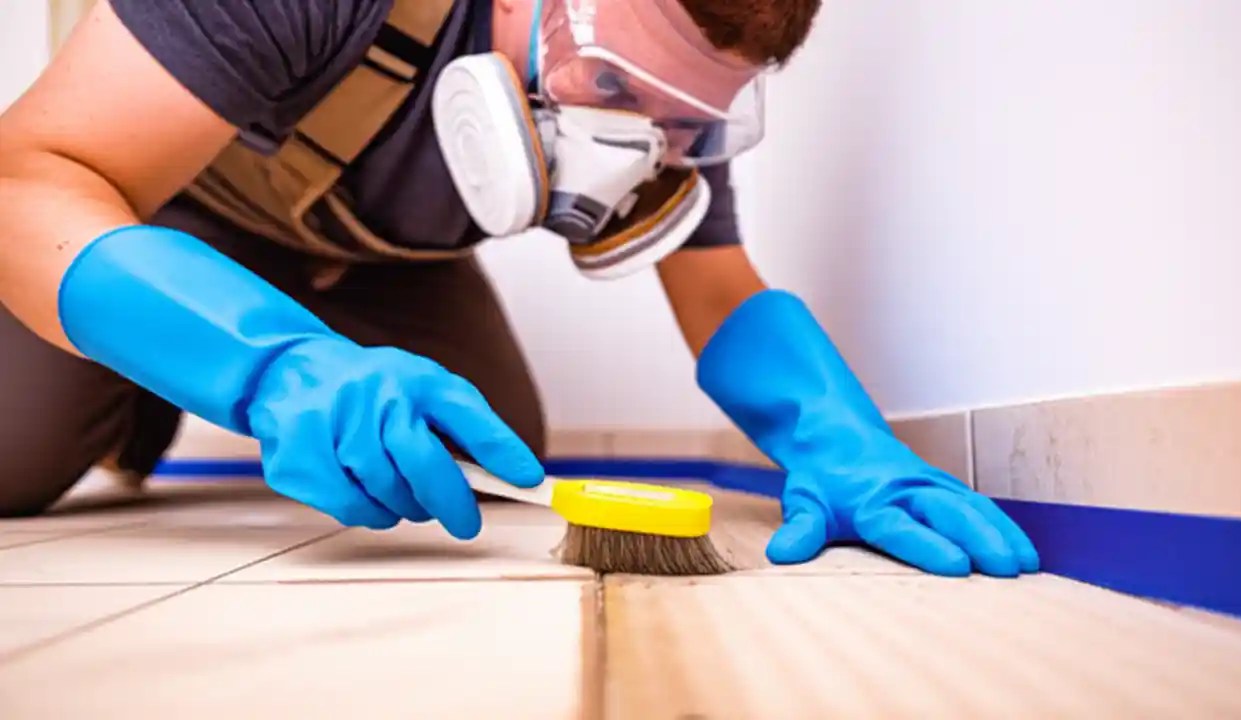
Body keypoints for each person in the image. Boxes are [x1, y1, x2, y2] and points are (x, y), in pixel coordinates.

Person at [0, 0, 1039, 578]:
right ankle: (146, 363)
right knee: (15, 457)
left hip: (373, 262)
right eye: (611, 88)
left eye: (681, 123)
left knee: (483, 446)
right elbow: (27, 180)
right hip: (146, 210)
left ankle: (157, 374)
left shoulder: (672, 105)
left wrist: (839, 441)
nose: (634, 145)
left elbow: (717, 286)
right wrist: (274, 368)